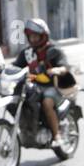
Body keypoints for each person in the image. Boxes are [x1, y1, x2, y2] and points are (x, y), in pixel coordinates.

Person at [10, 18, 68, 149]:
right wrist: (2, 69)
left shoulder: (53, 50)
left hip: (52, 86)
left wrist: (58, 69)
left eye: (36, 36)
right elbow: (16, 66)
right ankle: (27, 127)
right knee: (17, 98)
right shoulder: (27, 52)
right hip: (34, 86)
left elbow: (64, 66)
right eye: (30, 36)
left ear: (43, 35)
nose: (33, 39)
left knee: (47, 103)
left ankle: (56, 135)